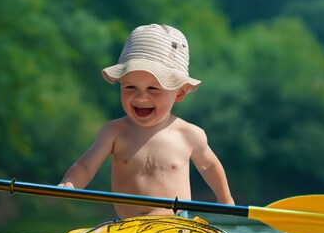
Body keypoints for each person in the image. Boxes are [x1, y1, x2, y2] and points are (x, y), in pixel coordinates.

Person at [59, 23, 234, 218]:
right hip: (127, 227)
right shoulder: (114, 132)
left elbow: (209, 166)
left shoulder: (190, 135)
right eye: (130, 88)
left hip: (176, 228)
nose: (141, 98)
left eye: (153, 89)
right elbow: (85, 166)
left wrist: (226, 201)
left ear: (180, 92)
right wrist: (71, 183)